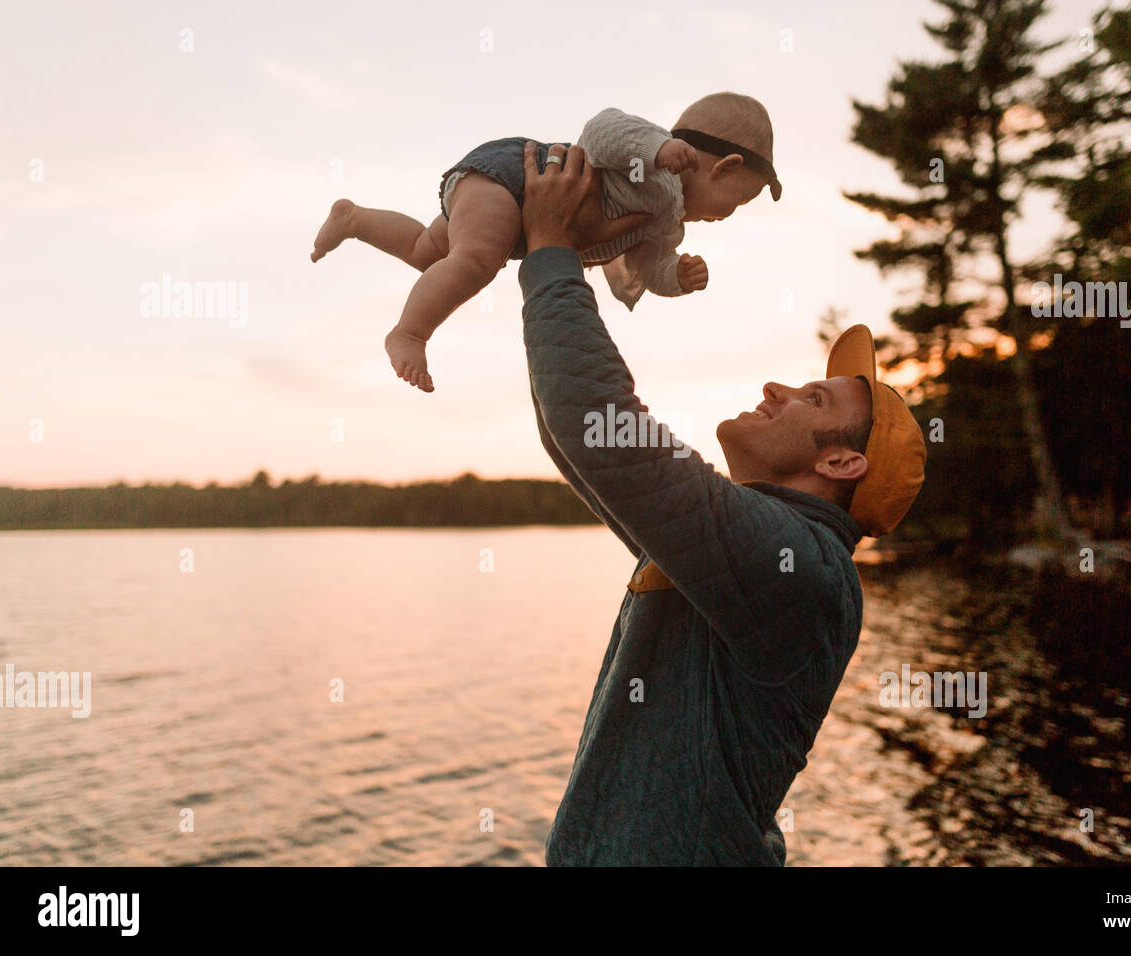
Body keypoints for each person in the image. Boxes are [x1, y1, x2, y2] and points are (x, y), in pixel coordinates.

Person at [515, 141, 927, 865]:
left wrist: (550, 253)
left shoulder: (799, 567)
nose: (777, 389)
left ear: (840, 460)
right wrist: (553, 255)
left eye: (813, 398)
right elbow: (570, 431)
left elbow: (594, 420)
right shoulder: (740, 549)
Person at [310, 92, 781, 391]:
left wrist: (674, 276)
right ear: (726, 167)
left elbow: (644, 263)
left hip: (518, 218)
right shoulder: (656, 152)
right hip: (516, 178)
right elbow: (601, 131)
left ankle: (353, 219)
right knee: (476, 261)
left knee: (427, 253)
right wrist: (655, 150)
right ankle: (409, 333)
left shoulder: (667, 225)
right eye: (736, 204)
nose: (725, 217)